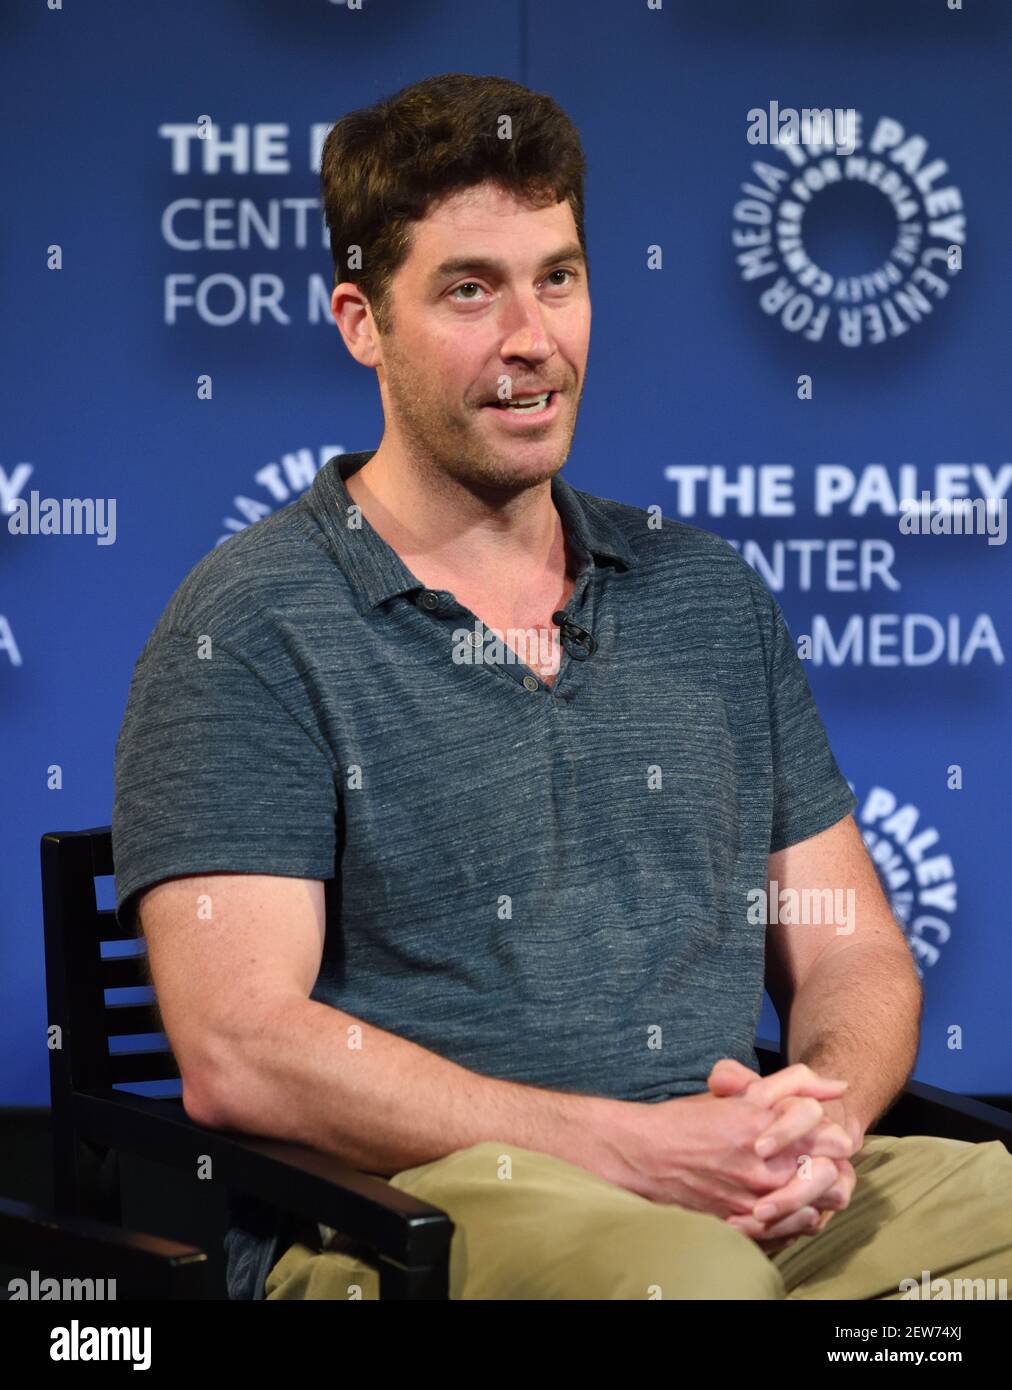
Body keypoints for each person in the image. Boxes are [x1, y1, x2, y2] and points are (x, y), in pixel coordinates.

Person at [112, 73, 1012, 1301]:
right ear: (360, 321)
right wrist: (630, 1154)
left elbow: (852, 951)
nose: (530, 337)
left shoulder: (705, 596)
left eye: (559, 277)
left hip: (732, 1189)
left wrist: (814, 1132)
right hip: (402, 1220)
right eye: (469, 289)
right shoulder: (255, 622)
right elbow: (240, 1051)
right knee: (684, 1282)